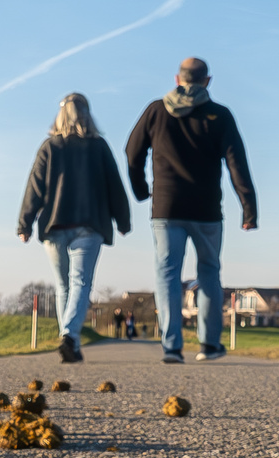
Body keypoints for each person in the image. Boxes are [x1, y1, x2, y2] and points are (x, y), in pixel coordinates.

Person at [125, 57, 256, 363]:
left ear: (177, 79)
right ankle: (209, 345)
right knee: (209, 273)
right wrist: (249, 210)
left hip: (166, 207)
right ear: (207, 81)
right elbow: (237, 164)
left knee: (167, 274)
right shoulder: (219, 115)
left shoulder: (156, 110)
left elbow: (132, 153)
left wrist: (143, 191)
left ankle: (172, 347)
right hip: (207, 210)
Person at [18, 93, 132, 364]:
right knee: (80, 282)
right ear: (87, 115)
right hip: (89, 225)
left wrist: (25, 223)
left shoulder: (50, 147)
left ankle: (69, 339)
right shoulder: (98, 146)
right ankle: (70, 336)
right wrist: (123, 220)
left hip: (55, 225)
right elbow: (114, 185)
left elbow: (34, 186)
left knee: (63, 285)